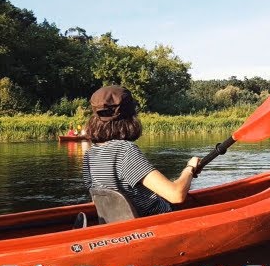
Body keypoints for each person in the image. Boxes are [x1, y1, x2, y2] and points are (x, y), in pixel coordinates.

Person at [82, 85, 202, 217]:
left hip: (124, 225)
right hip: (158, 221)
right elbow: (176, 195)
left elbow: (96, 200)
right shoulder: (125, 150)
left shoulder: (90, 154)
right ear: (130, 116)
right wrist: (189, 169)